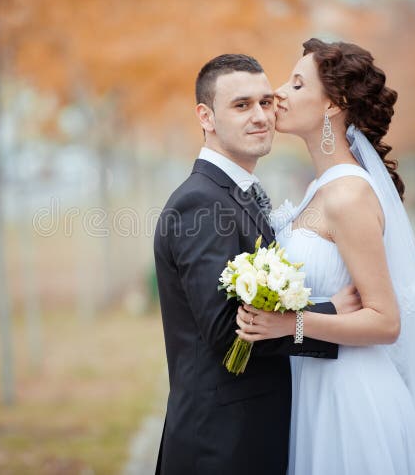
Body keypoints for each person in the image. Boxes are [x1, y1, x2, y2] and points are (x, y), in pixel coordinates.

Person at [235, 38, 415, 474]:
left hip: (352, 401)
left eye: (298, 84)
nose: (279, 92)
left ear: (332, 105)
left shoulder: (348, 195)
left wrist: (290, 323)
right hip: (315, 387)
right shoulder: (320, 189)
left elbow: (386, 320)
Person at [153, 53, 362, 475]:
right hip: (221, 446)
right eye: (242, 105)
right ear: (205, 117)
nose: (261, 116)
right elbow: (227, 331)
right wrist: (330, 313)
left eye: (266, 103)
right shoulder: (202, 203)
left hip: (246, 438)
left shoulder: (235, 193)